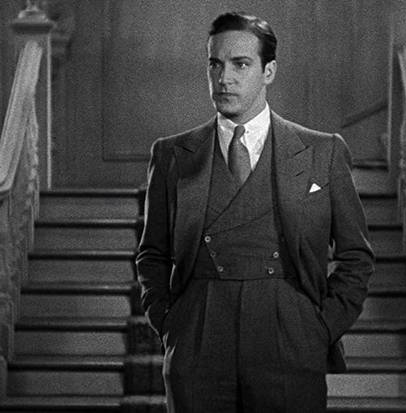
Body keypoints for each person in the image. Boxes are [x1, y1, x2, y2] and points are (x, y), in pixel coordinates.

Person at [136, 11, 374, 413]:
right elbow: (152, 254)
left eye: (240, 64)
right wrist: (171, 324)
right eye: (215, 64)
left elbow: (356, 257)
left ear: (269, 71)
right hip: (198, 341)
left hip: (290, 338)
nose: (224, 78)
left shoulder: (323, 152)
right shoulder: (172, 155)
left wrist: (318, 330)